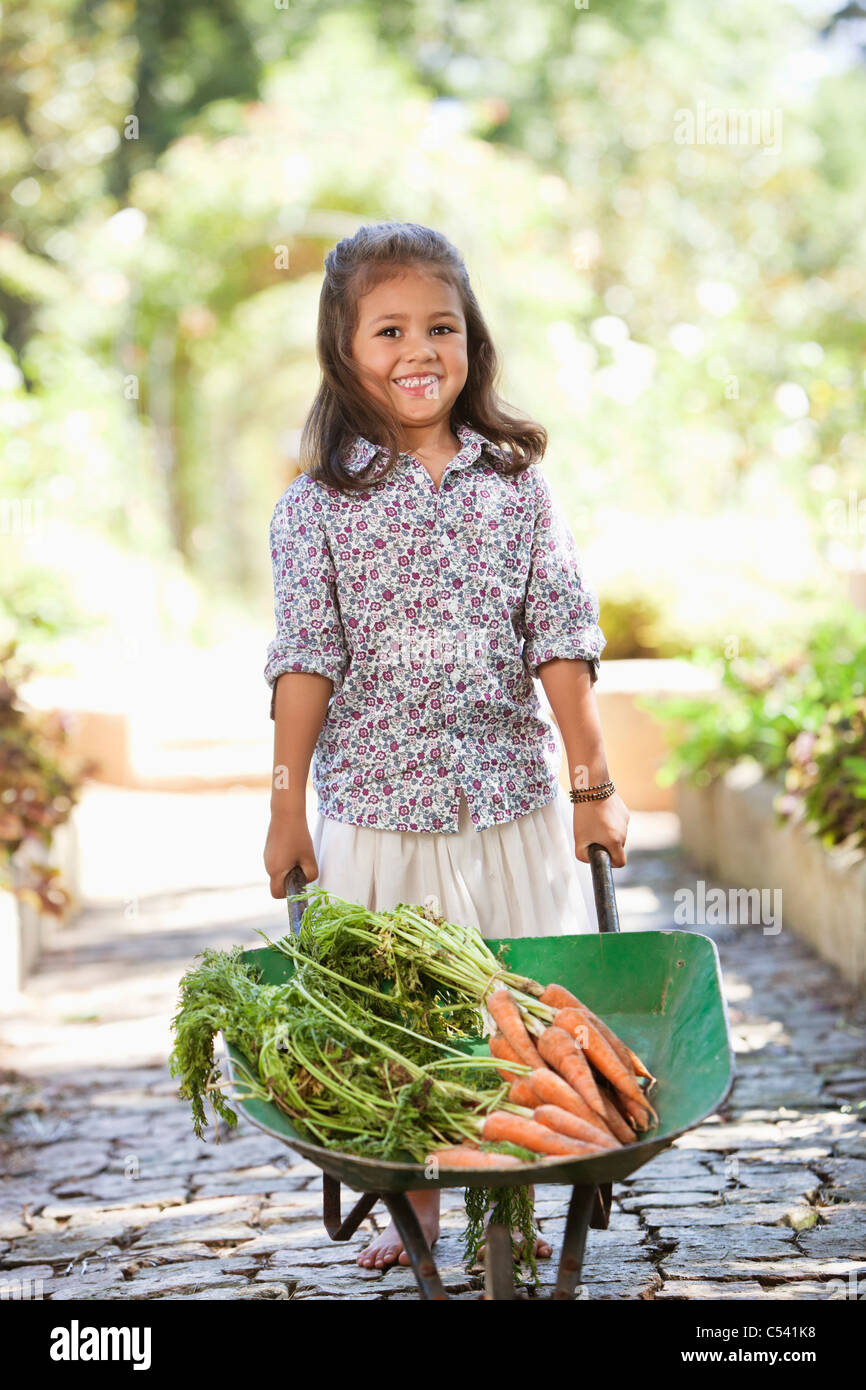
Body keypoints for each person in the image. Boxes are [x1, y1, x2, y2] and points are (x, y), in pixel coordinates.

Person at [262, 221, 629, 1273]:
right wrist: (286, 808)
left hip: (506, 804)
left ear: (472, 341)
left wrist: (591, 785)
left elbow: (560, 635)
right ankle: (413, 1208)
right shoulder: (316, 507)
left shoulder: (513, 484)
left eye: (441, 327)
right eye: (388, 331)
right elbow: (302, 666)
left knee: (510, 1020)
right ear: (343, 348)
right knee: (395, 1035)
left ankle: (504, 1205)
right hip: (379, 816)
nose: (418, 351)